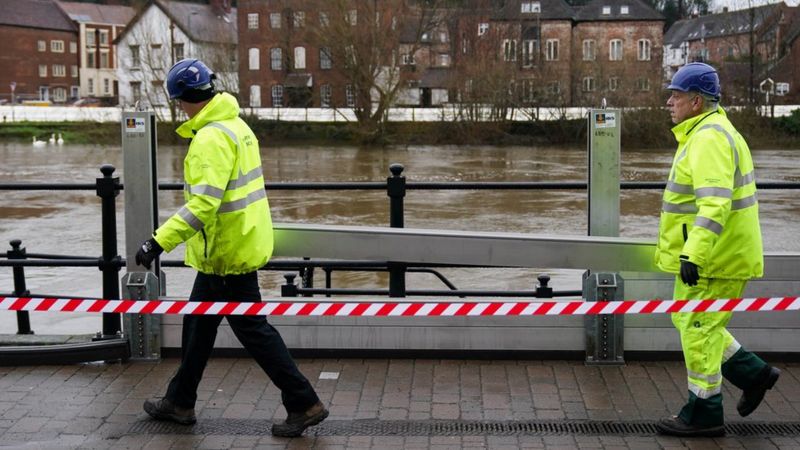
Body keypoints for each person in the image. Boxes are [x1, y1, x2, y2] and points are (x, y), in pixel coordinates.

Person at [136, 58, 328, 438]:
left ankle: (303, 401)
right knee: (198, 325)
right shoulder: (237, 127)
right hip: (234, 244)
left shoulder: (209, 138)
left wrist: (158, 241)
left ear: (183, 100)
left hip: (224, 253)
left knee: (252, 329)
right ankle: (180, 401)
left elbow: (204, 205)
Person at [655, 62, 780, 437]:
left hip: (713, 260)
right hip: (715, 256)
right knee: (694, 322)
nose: (669, 101)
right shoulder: (708, 132)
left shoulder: (708, 138)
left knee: (699, 329)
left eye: (675, 95)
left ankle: (704, 412)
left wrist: (694, 253)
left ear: (696, 101)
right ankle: (754, 374)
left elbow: (714, 204)